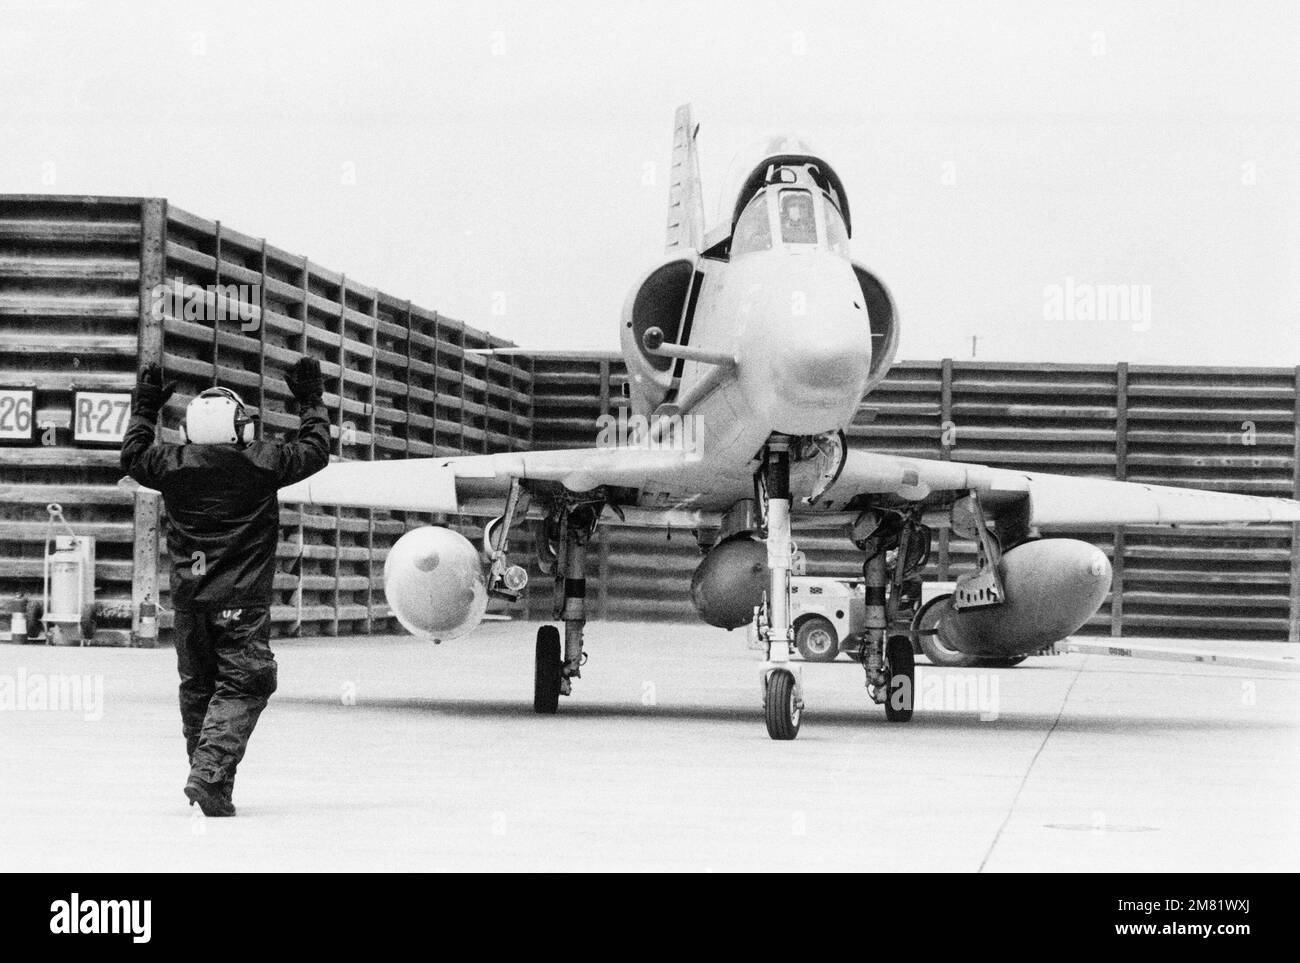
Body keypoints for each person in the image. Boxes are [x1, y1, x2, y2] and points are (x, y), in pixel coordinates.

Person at [121, 358, 330, 817]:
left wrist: (146, 406)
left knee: (199, 689)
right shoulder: (263, 463)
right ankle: (209, 775)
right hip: (241, 602)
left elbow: (133, 454)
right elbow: (316, 449)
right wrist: (311, 400)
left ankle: (212, 782)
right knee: (246, 681)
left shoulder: (168, 464)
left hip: (190, 602)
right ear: (239, 427)